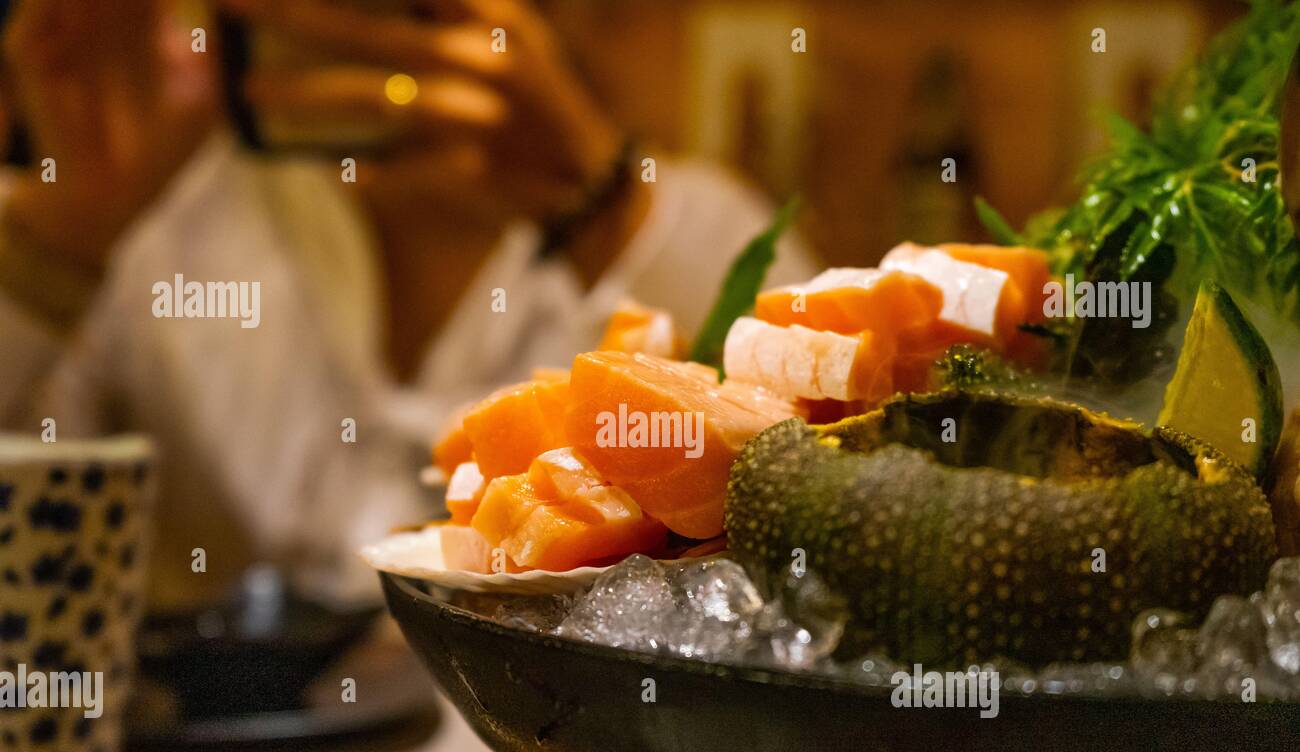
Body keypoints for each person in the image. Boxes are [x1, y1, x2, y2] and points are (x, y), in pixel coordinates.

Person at [0, 0, 818, 609]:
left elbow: (823, 490)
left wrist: (599, 204)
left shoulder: (688, 222)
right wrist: (64, 241)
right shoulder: (156, 221)